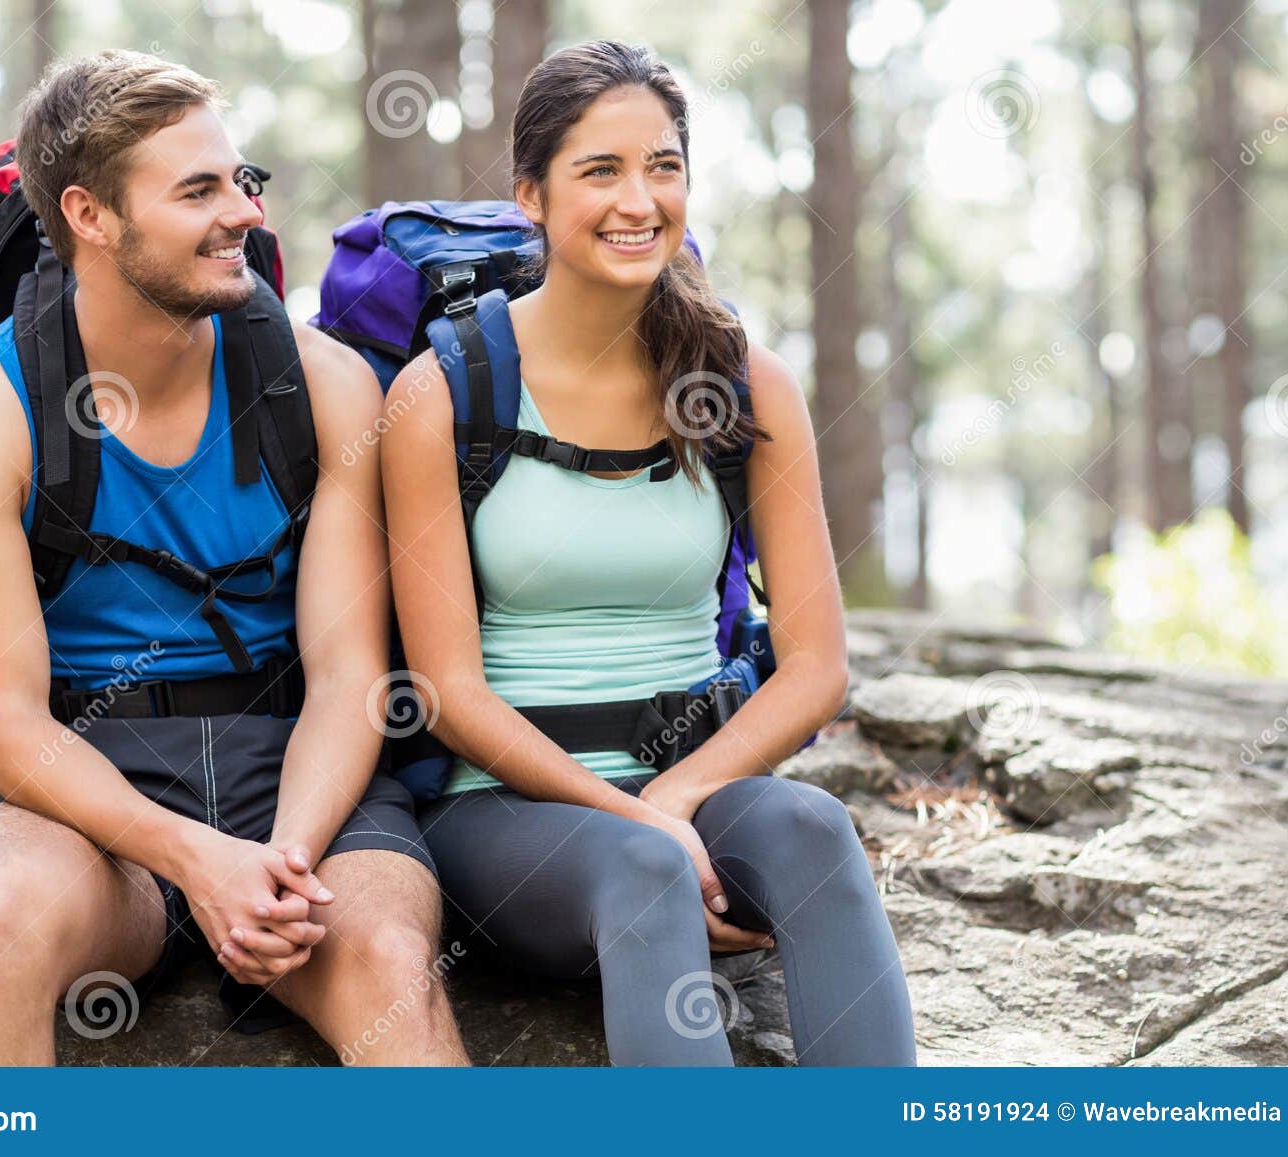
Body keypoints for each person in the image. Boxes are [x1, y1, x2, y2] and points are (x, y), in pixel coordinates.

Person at [0, 51, 466, 1066]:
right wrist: (195, 858)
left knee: (387, 954)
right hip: (78, 789)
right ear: (89, 215)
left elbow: (349, 674)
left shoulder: (327, 385)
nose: (246, 212)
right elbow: (6, 728)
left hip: (299, 775)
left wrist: (282, 862)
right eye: (199, 190)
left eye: (241, 181)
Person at [381, 40, 917, 1066]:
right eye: (601, 170)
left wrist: (674, 799)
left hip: (691, 778)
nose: (640, 199)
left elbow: (816, 667)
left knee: (810, 829)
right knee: (642, 866)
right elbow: (449, 694)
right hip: (503, 814)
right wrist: (647, 829)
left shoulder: (741, 380)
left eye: (663, 166)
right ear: (530, 194)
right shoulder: (440, 393)